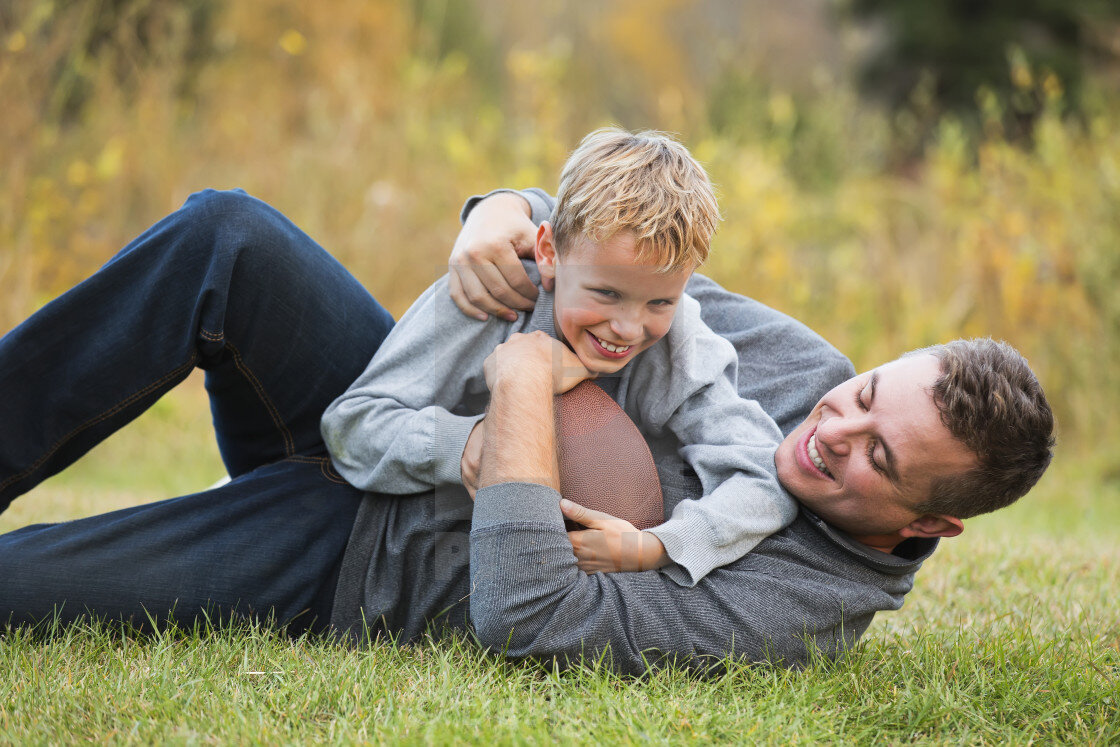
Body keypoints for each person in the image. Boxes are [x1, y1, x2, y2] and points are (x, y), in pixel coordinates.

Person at [0, 187, 1053, 674]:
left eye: (880, 457)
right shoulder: (802, 369)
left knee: (20, 592)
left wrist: (518, 391)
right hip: (397, 413)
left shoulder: (797, 612)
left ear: (931, 526)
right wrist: (497, 216)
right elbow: (614, 241)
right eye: (866, 394)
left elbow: (528, 619)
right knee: (228, 235)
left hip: (359, 559)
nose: (834, 429)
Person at [321, 127, 795, 585]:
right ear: (548, 251)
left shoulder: (682, 348)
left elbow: (761, 479)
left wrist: (660, 545)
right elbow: (352, 424)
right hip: (377, 533)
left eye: (660, 302)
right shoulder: (491, 301)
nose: (628, 328)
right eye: (606, 293)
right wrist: (463, 444)